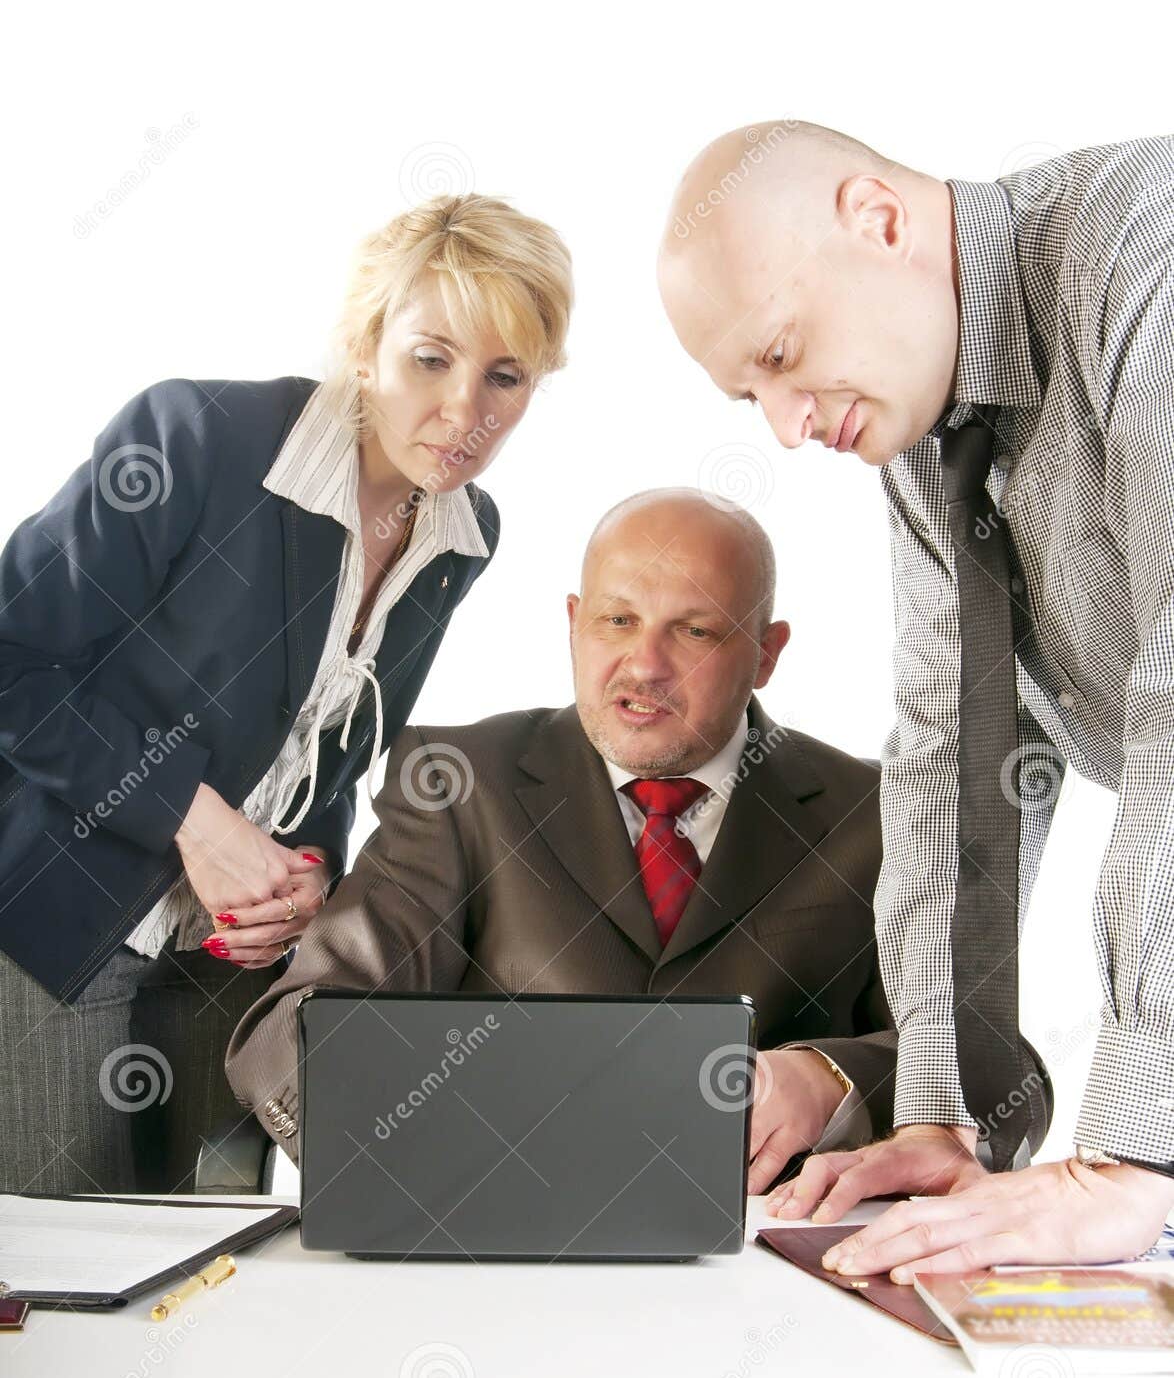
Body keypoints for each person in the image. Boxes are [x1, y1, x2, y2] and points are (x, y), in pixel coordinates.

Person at [657, 121, 1174, 1272]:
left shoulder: (1149, 255)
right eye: (754, 398)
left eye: (783, 353)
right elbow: (959, 755)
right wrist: (948, 1108)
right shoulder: (928, 444)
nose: (790, 429)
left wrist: (1139, 1153)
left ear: (879, 222)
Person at [226, 489, 1051, 1186]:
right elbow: (291, 1034)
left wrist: (836, 1080)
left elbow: (1009, 1073)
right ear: (576, 623)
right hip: (505, 1266)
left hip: (776, 1276)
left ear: (766, 654)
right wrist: (466, 1146)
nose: (644, 663)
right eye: (618, 620)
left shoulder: (879, 811)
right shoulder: (458, 783)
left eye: (695, 631)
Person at [0, 192, 573, 1195]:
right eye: (430, 358)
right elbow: (15, 662)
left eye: (505, 377)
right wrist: (193, 819)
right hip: (57, 921)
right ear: (363, 346)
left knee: (213, 1260)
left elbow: (328, 745)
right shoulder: (196, 438)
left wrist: (315, 875)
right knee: (72, 1269)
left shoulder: (462, 531)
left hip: (236, 957)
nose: (464, 414)